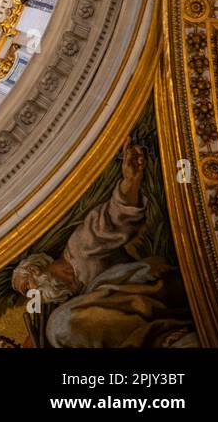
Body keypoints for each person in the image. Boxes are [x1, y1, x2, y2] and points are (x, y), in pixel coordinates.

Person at [11, 143, 197, 347]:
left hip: (149, 290)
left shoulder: (79, 247)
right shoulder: (70, 294)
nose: (32, 296)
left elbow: (114, 218)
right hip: (132, 322)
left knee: (59, 326)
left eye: (26, 288)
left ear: (34, 269)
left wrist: (131, 181)